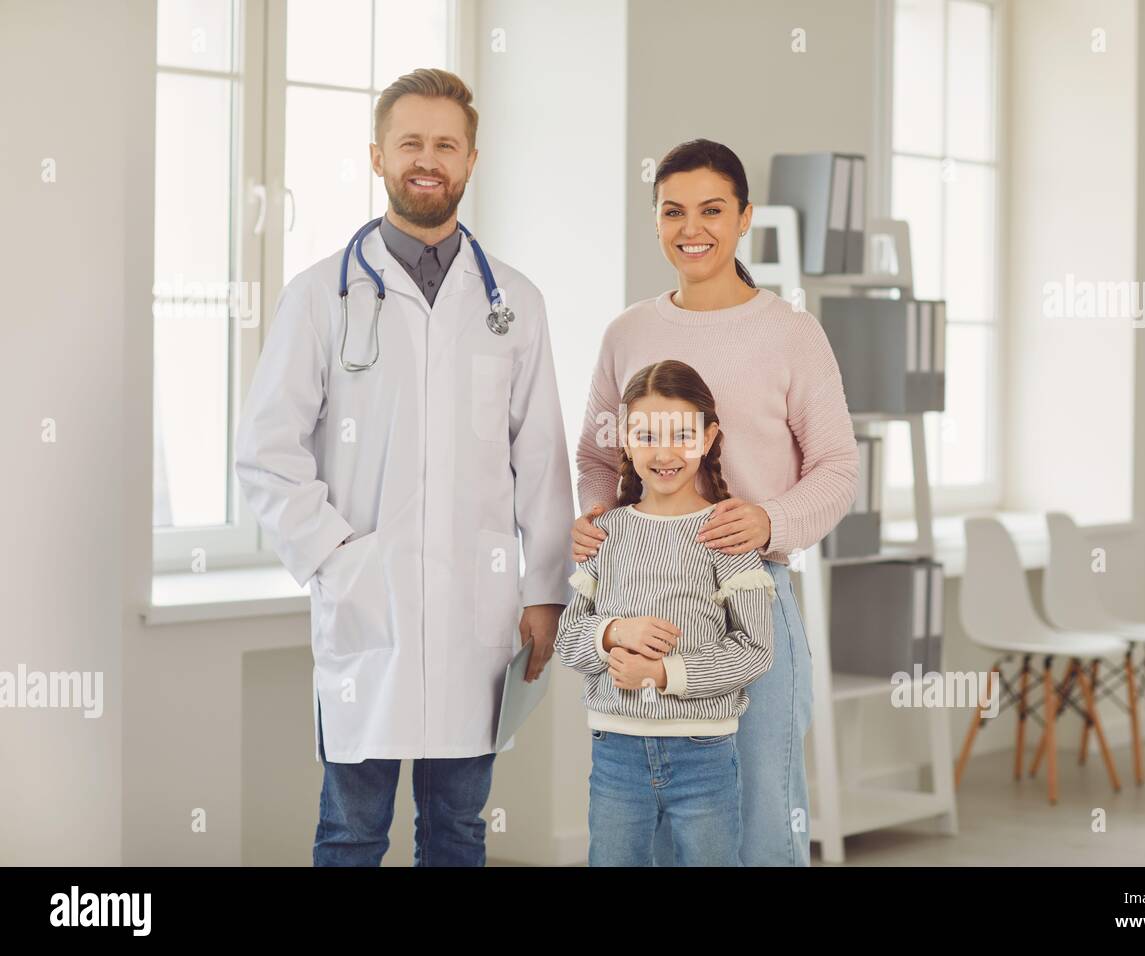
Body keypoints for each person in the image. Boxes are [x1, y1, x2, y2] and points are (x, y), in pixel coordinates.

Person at [234, 68, 573, 866]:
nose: (429, 159)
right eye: (411, 142)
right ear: (378, 157)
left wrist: (545, 590)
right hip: (366, 609)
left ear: (471, 160)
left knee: (456, 832)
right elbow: (266, 450)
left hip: (477, 612)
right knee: (351, 834)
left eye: (446, 144)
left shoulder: (513, 303)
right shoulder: (320, 295)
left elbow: (544, 457)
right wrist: (338, 561)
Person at [572, 140, 858, 866]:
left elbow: (837, 467)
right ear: (657, 219)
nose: (690, 228)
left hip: (750, 596)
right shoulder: (627, 331)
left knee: (764, 809)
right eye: (673, 211)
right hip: (648, 609)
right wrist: (601, 528)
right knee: (663, 822)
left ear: (744, 218)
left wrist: (773, 521)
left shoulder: (791, 332)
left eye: (711, 210)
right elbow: (597, 456)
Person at [555, 360, 775, 866]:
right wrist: (612, 632)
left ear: (709, 437)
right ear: (625, 442)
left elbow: (755, 650)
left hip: (704, 752)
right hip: (616, 749)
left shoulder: (727, 536)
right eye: (647, 434)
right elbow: (569, 639)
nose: (665, 451)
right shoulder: (605, 533)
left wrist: (661, 672)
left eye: (681, 434)